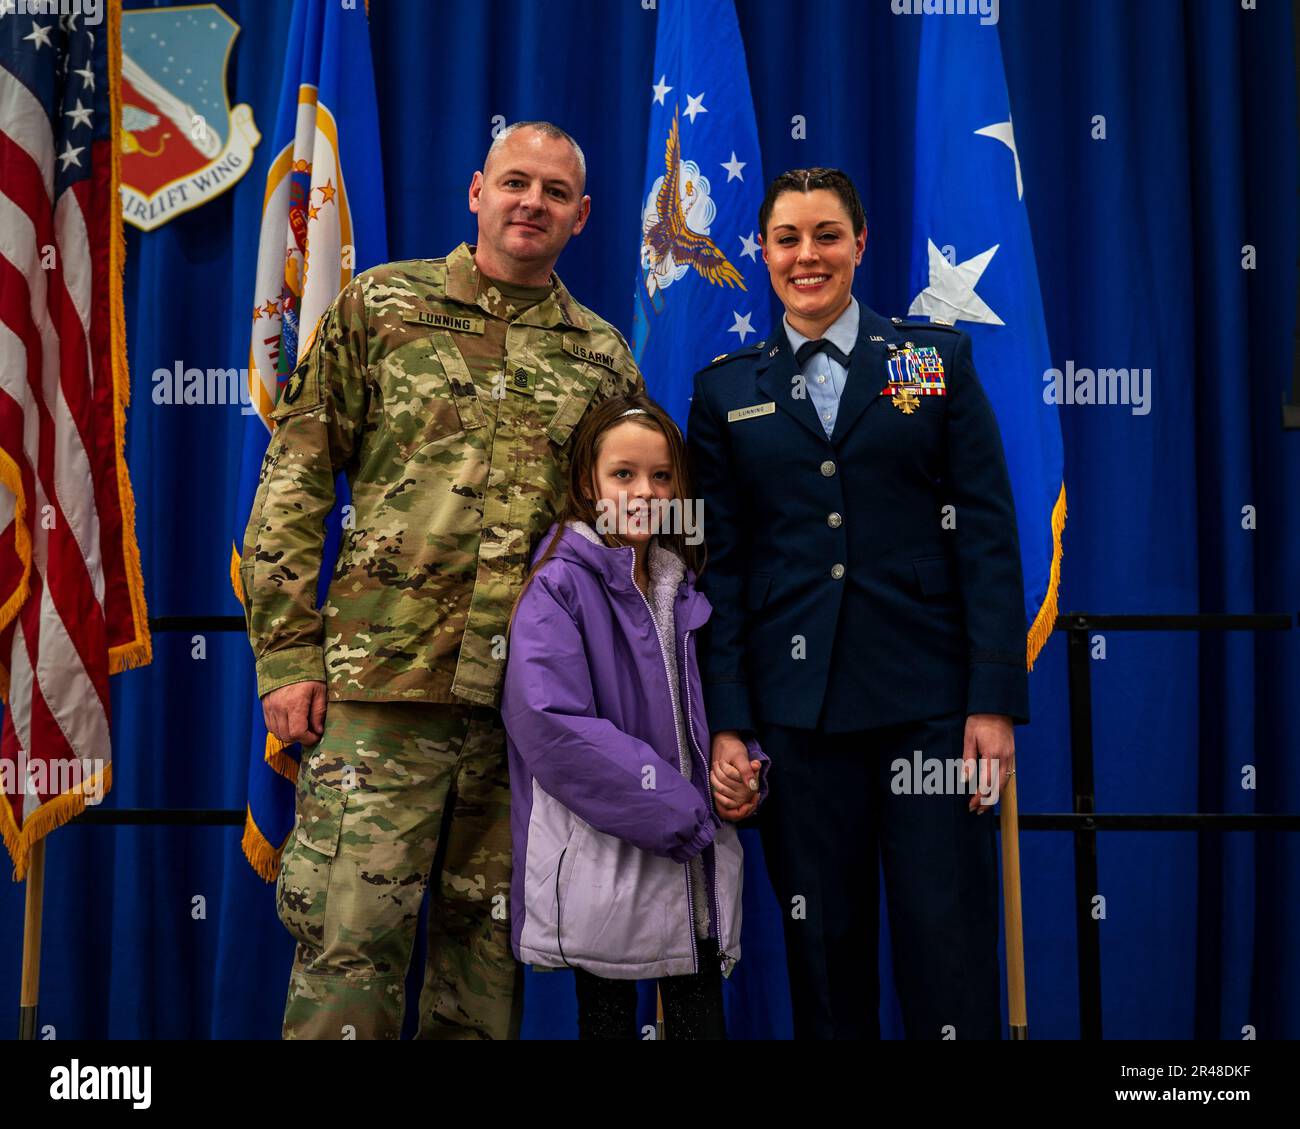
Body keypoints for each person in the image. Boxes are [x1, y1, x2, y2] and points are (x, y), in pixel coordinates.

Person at [239, 121, 644, 1040]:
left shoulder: (603, 356)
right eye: (515, 182)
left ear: (582, 216)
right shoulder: (381, 306)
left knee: (486, 977)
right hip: (380, 699)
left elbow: (622, 540)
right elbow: (295, 479)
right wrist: (287, 653)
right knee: (350, 954)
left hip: (527, 716)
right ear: (476, 191)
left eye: (553, 191)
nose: (531, 201)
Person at [686, 167, 1029, 1040]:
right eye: (789, 238)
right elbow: (719, 569)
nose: (809, 255)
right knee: (824, 961)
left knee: (945, 947)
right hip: (796, 716)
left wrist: (991, 699)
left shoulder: (930, 359)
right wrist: (727, 719)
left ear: (860, 244)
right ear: (762, 253)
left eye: (827, 235)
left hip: (930, 707)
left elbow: (986, 535)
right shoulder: (724, 389)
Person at [500, 393, 769, 1039]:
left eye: (661, 475)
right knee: (609, 1021)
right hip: (608, 859)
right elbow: (553, 724)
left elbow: (712, 714)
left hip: (692, 863)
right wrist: (678, 808)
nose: (644, 490)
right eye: (623, 473)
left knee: (701, 1019)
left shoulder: (686, 585)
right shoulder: (558, 585)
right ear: (588, 483)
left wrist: (742, 769)